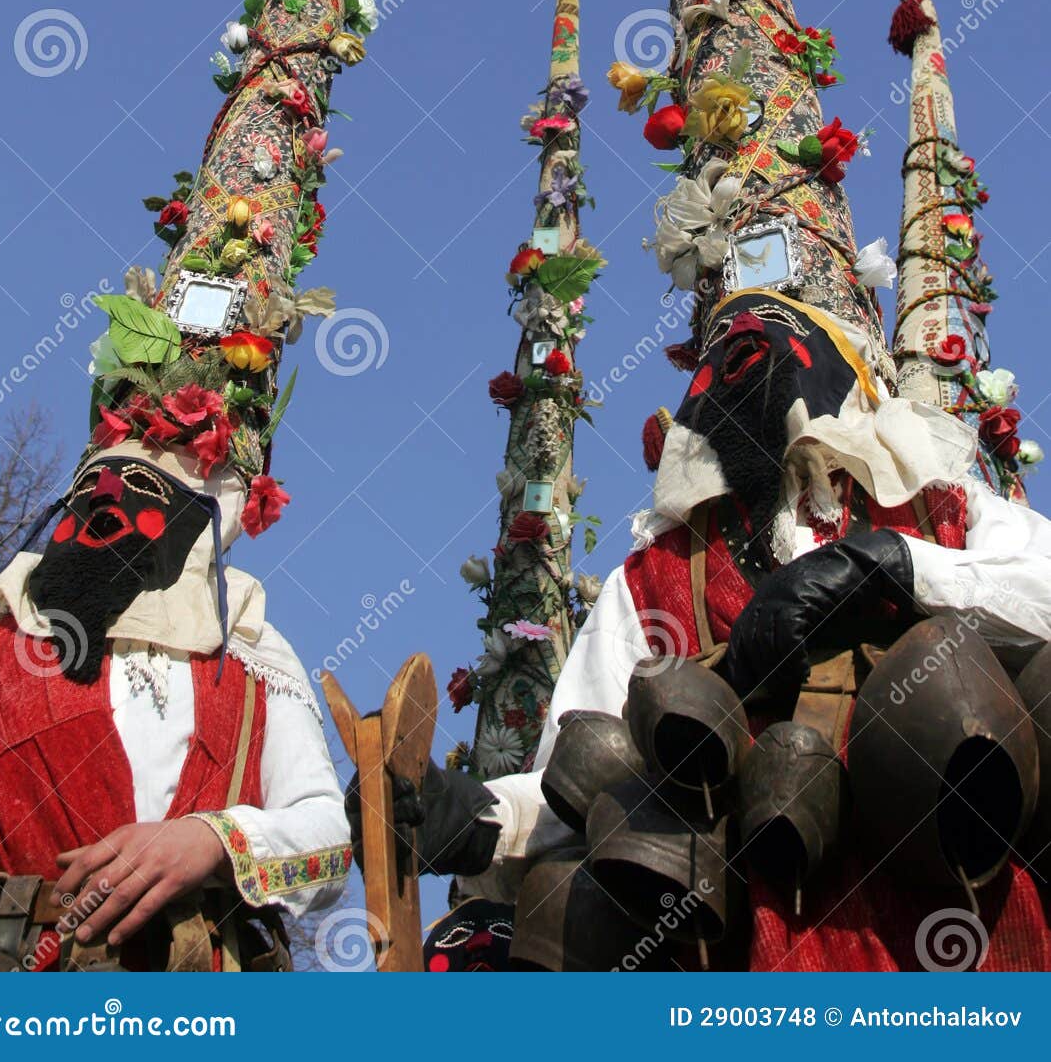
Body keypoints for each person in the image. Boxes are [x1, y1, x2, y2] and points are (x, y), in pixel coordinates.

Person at [360, 292, 1051, 972]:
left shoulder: (939, 513)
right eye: (717, 345)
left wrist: (891, 565)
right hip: (749, 953)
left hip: (970, 927)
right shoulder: (652, 578)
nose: (739, 348)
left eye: (775, 327)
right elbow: (586, 769)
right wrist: (483, 817)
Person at [0, 442, 350, 971]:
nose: (108, 499)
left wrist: (214, 840)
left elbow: (328, 848)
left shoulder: (256, 658)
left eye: (143, 488)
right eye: (91, 490)